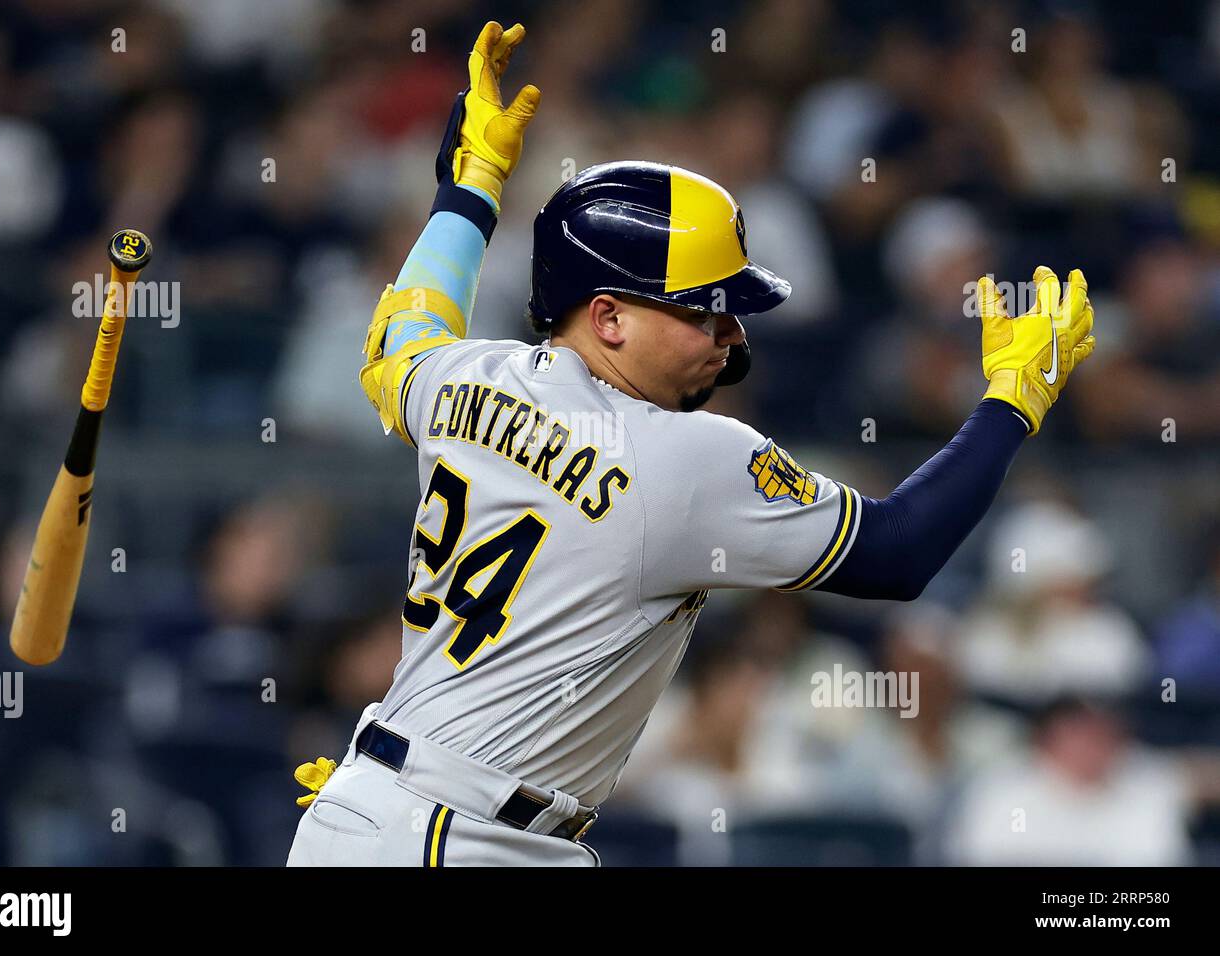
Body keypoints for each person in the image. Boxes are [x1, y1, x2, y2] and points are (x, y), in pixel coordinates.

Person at [286, 21, 1096, 867]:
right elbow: (897, 552)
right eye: (700, 309)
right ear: (608, 317)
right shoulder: (686, 456)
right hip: (467, 837)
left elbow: (399, 336)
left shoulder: (466, 376)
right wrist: (1010, 404)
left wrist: (470, 191)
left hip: (381, 807)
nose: (729, 334)